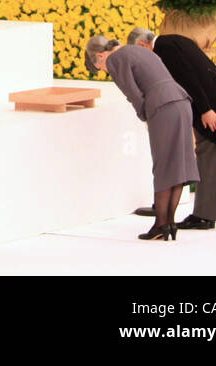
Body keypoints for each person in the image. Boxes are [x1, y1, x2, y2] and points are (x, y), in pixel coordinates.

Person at [84, 34, 199, 241]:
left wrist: (145, 114)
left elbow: (133, 93)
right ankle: (170, 223)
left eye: (99, 67)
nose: (104, 70)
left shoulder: (114, 59)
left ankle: (160, 225)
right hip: (181, 100)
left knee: (164, 165)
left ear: (100, 55)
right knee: (178, 163)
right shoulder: (137, 50)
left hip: (162, 106)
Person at [127, 27, 216, 230]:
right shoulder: (173, 40)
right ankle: (207, 213)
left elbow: (189, 79)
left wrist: (206, 109)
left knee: (209, 153)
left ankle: (203, 215)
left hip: (211, 104)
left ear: (141, 45)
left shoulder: (164, 49)